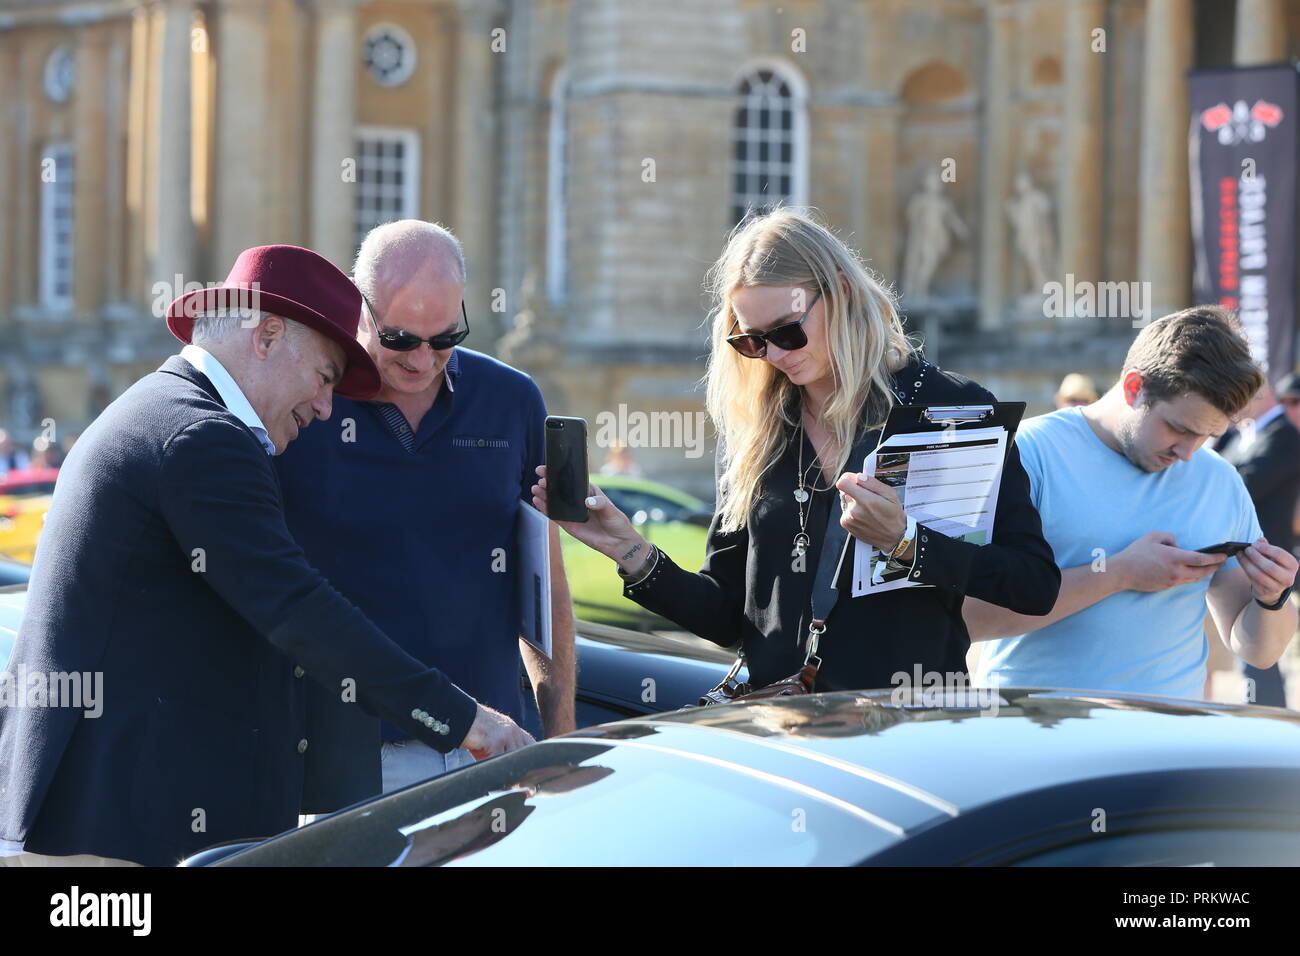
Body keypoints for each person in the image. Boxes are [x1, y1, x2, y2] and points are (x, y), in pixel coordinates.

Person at [0, 245, 532, 867]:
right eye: (326, 377)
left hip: (101, 815)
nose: (326, 406)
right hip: (116, 831)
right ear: (268, 335)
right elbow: (296, 609)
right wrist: (466, 720)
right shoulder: (203, 439)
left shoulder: (164, 407)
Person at [534, 207, 1060, 694]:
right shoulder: (760, 431)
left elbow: (1032, 585)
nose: (774, 355)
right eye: (752, 342)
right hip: (782, 735)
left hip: (905, 735)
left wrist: (907, 543)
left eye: (787, 331)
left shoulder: (946, 410)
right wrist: (631, 551)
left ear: (843, 292)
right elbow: (728, 618)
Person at [275, 221, 572, 816]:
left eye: (446, 338)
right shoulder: (302, 400)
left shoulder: (511, 401)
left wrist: (561, 738)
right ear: (358, 310)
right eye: (401, 339)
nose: (425, 360)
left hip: (491, 752)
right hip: (340, 764)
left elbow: (544, 587)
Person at [968, 307, 1298, 700]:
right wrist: (1117, 574)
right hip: (1038, 734)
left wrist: (1272, 597)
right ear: (1133, 387)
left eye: (1208, 435)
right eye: (1178, 427)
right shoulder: (1028, 454)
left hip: (1167, 745)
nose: (1188, 453)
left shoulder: (1219, 479)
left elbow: (1258, 651)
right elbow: (967, 617)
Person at [1211, 374, 1300, 706]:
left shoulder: (1284, 436)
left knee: (1260, 659)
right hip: (1237, 561)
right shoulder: (1242, 435)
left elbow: (1244, 485)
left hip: (1266, 563)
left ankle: (1268, 723)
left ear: (1263, 395)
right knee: (1248, 661)